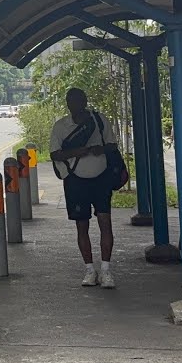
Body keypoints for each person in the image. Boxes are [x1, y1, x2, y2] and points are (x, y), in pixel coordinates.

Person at [49, 88, 119, 289]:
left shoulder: (99, 120)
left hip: (101, 178)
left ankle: (106, 269)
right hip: (75, 180)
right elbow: (54, 154)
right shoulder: (61, 126)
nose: (76, 104)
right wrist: (76, 151)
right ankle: (89, 269)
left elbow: (113, 145)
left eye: (79, 100)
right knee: (82, 225)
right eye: (71, 100)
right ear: (67, 103)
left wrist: (100, 149)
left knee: (105, 222)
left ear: (85, 101)